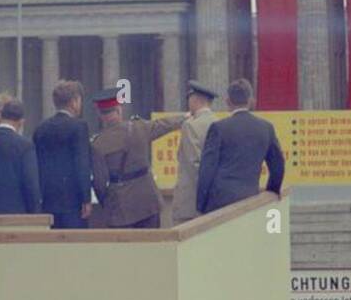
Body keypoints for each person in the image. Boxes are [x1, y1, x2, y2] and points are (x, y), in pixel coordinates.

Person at [90, 89, 184, 228]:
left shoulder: (98, 144)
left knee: (126, 248)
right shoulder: (139, 128)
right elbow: (164, 125)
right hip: (148, 202)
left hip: (120, 208)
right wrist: (186, 117)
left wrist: (108, 203)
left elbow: (99, 182)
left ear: (100, 115)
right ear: (119, 110)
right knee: (151, 246)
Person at [196, 78, 284, 215]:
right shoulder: (266, 128)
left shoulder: (218, 128)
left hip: (219, 202)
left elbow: (207, 169)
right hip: (250, 198)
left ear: (228, 101)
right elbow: (278, 165)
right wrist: (272, 191)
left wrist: (201, 205)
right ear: (250, 101)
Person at [33, 80, 93, 229]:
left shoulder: (41, 128)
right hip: (72, 200)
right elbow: (82, 164)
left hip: (47, 198)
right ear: (73, 102)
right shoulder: (79, 127)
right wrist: (86, 198)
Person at [169, 81, 219, 224]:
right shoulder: (218, 123)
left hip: (190, 201)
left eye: (190, 99)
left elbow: (194, 164)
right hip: (212, 200)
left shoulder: (190, 125)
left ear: (195, 100)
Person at [0, 99, 41, 215]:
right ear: (21, 122)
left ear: (1, 116)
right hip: (16, 209)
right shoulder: (24, 145)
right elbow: (30, 182)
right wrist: (35, 211)